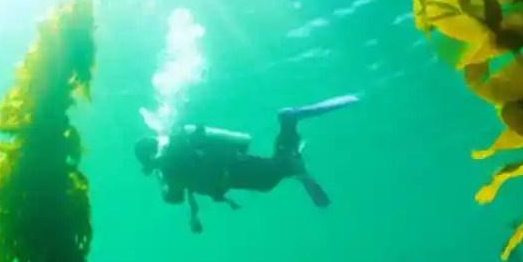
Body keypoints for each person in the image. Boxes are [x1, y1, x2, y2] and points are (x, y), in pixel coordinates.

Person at [134, 95, 359, 233]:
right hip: (236, 169)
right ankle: (295, 153)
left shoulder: (170, 170)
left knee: (278, 171)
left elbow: (172, 197)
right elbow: (184, 195)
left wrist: (155, 171)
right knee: (279, 170)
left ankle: (288, 123)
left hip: (238, 172)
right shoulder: (176, 154)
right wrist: (193, 217)